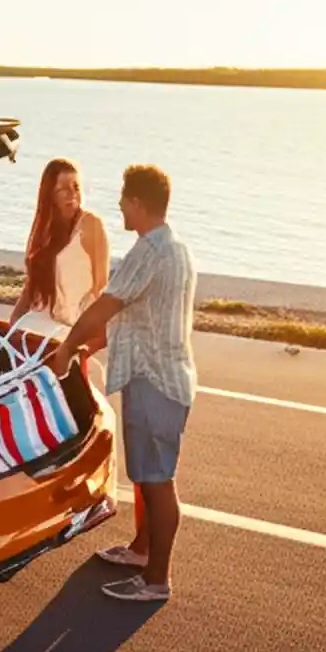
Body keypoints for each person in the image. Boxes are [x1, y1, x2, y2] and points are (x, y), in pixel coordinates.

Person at [48, 164, 197, 602]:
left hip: (155, 383)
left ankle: (156, 580)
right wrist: (87, 349)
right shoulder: (177, 249)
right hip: (164, 377)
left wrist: (66, 346)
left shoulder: (148, 252)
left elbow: (105, 307)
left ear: (137, 203)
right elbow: (136, 318)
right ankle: (141, 551)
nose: (118, 205)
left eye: (123, 198)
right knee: (150, 478)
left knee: (157, 481)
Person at [10, 158, 110, 388]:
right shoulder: (43, 228)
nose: (72, 194)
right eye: (63, 189)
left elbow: (101, 285)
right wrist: (13, 323)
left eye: (76, 187)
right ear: (50, 195)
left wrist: (89, 341)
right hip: (35, 323)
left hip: (67, 329)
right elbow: (31, 285)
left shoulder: (91, 225)